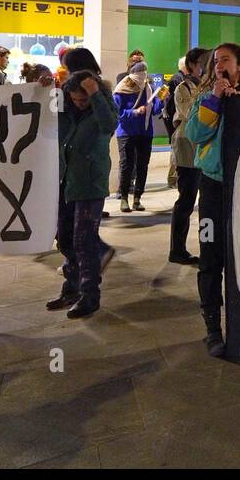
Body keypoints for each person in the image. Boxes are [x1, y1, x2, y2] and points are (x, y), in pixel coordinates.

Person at [184, 42, 240, 357]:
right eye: (216, 60)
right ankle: (213, 326)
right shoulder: (205, 98)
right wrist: (216, 100)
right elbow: (195, 134)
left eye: (226, 59)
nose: (219, 64)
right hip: (213, 186)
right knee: (210, 256)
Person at [42, 69, 118, 319]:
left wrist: (95, 94)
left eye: (84, 99)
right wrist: (46, 90)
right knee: (65, 239)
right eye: (75, 99)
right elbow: (45, 119)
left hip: (89, 184)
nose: (79, 103)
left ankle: (90, 295)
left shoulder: (103, 106)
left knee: (84, 241)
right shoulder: (66, 109)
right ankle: (71, 289)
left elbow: (109, 125)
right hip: (65, 181)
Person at [169, 47, 208, 266]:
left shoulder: (207, 86)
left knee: (206, 201)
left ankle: (207, 247)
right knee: (187, 199)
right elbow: (191, 113)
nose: (207, 66)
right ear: (192, 65)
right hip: (187, 148)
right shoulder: (183, 88)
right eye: (203, 62)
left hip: (203, 149)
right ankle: (177, 249)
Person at [113, 62, 156, 213]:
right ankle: (124, 197)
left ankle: (137, 198)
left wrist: (162, 100)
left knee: (142, 165)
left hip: (145, 132)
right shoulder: (122, 89)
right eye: (141, 73)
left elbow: (154, 109)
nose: (143, 76)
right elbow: (117, 113)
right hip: (127, 132)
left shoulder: (148, 88)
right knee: (127, 165)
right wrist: (134, 112)